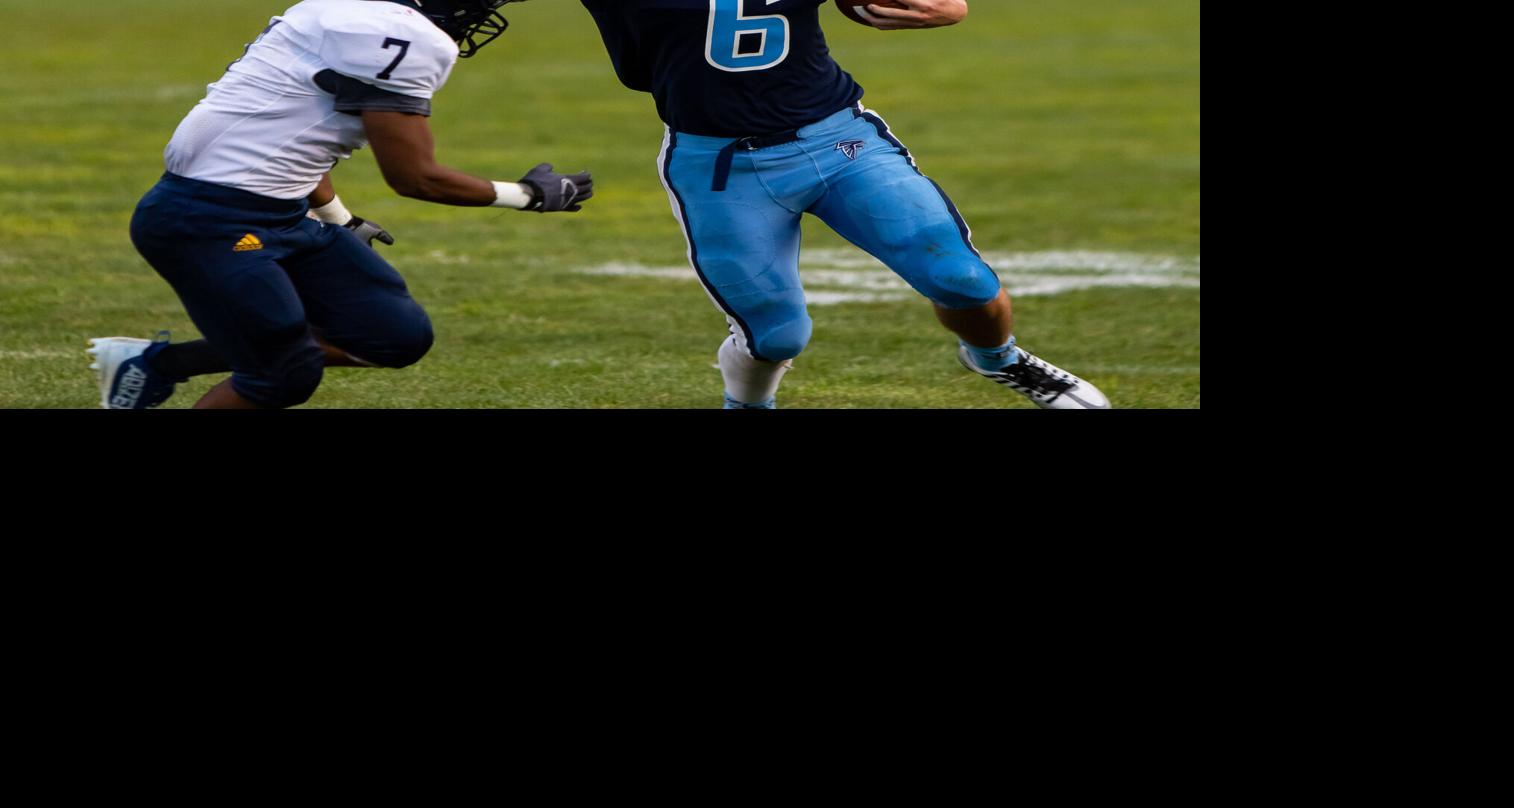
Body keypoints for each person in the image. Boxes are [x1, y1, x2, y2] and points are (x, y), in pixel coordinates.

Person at [580, 0, 1110, 409]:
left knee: (962, 280)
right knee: (775, 335)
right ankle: (747, 404)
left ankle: (999, 359)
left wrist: (946, 7)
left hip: (840, 142)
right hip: (719, 166)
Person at [91, 0, 593, 409]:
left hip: (280, 211)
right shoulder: (407, 37)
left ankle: (156, 364)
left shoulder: (329, 12)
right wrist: (529, 196)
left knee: (394, 335)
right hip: (208, 221)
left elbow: (296, 133)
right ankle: (208, 365)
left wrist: (339, 219)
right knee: (283, 375)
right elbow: (415, 178)